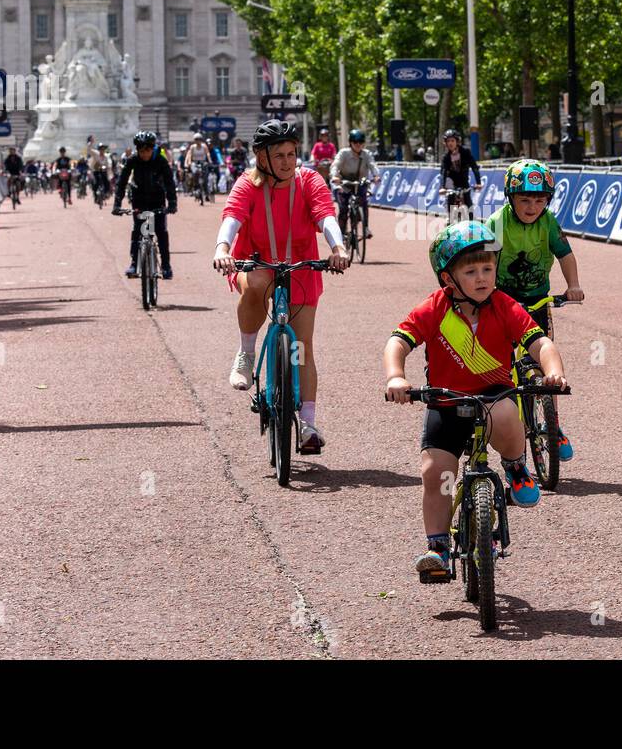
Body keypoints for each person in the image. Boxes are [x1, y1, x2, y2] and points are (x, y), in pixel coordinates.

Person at [383, 221, 568, 579]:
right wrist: (395, 375)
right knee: (436, 472)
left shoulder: (505, 306)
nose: (482, 277)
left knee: (505, 411)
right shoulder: (434, 307)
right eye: (471, 271)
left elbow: (540, 343)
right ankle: (436, 548)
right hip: (446, 403)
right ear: (448, 279)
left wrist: (553, 371)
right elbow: (398, 341)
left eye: (488, 268)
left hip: (492, 395)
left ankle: (515, 466)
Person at [211, 120, 349, 454]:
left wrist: (338, 248)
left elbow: (325, 215)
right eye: (279, 155)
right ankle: (246, 353)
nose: (287, 161)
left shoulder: (309, 180)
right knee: (257, 280)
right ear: (261, 157)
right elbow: (232, 217)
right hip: (254, 263)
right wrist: (222, 249)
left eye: (291, 153)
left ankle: (307, 424)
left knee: (301, 346)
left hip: (301, 268)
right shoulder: (247, 184)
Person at [485, 159, 583, 461]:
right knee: (502, 366)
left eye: (539, 200)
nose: (532, 206)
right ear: (510, 198)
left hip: (537, 300)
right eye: (524, 199)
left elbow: (565, 254)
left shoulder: (548, 222)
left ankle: (553, 425)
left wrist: (574, 285)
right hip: (502, 301)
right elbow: (483, 262)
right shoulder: (496, 223)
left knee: (543, 365)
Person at [112, 131, 177, 278]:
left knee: (161, 232)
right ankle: (134, 264)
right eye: (141, 151)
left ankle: (166, 266)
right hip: (139, 199)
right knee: (138, 231)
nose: (144, 154)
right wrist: (117, 204)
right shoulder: (132, 160)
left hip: (157, 199)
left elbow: (169, 182)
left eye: (147, 150)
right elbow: (121, 182)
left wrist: (172, 203)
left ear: (152, 148)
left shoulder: (161, 160)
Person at [331, 129, 381, 238]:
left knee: (363, 203)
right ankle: (341, 234)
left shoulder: (367, 154)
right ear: (350, 143)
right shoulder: (343, 153)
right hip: (343, 183)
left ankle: (365, 227)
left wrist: (376, 176)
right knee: (343, 208)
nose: (358, 144)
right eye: (355, 142)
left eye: (361, 142)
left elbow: (373, 165)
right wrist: (334, 176)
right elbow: (335, 165)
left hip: (360, 183)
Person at [439, 129, 482, 217]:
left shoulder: (465, 152)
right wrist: (443, 187)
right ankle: (450, 221)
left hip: (464, 181)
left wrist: (478, 183)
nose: (450, 143)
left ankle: (471, 223)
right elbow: (443, 172)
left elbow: (474, 167)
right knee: (450, 198)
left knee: (468, 202)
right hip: (451, 183)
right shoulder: (446, 157)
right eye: (448, 141)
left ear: (457, 141)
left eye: (452, 141)